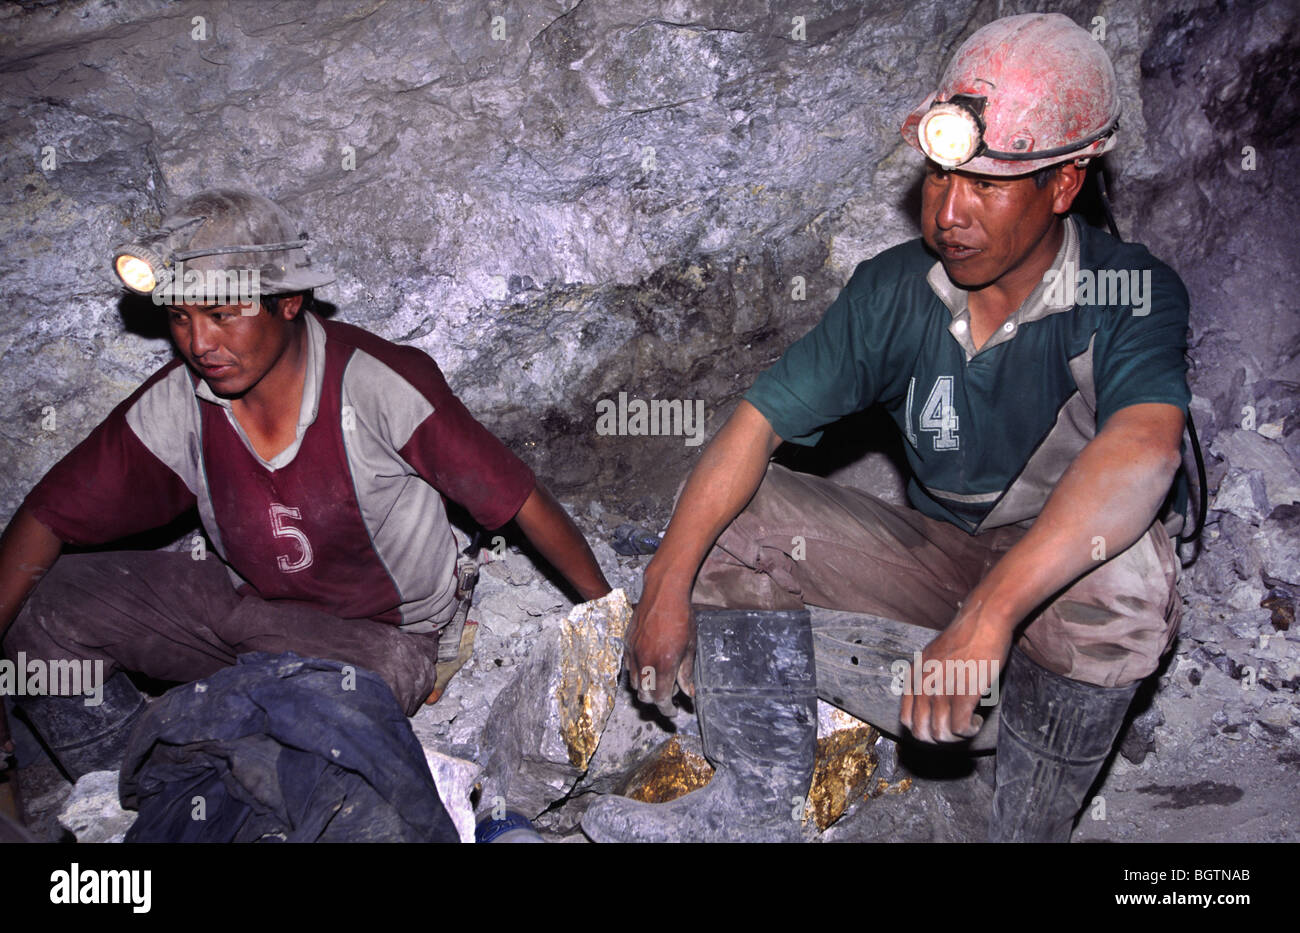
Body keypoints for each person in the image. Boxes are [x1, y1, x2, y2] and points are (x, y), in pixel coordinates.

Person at [582, 12, 1191, 843]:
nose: (950, 213)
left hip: (1050, 597)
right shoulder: (897, 290)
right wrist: (665, 581)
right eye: (941, 178)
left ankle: (1015, 821)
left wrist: (991, 614)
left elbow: (1144, 447)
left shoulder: (1130, 290)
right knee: (734, 515)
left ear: (1064, 184)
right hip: (936, 579)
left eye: (988, 183)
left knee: (1130, 578)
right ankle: (758, 802)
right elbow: (753, 425)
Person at [0, 188, 611, 784]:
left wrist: (610, 611)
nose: (198, 342)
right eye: (180, 317)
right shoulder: (182, 401)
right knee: (44, 605)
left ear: (288, 301)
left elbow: (519, 500)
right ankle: (117, 793)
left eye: (220, 314)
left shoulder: (378, 383)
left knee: (310, 721)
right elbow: (48, 516)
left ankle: (209, 763)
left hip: (374, 646)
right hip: (243, 611)